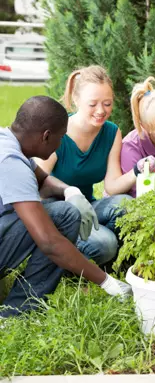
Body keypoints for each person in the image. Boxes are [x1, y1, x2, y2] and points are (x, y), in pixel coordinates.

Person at [0, 96, 131, 317]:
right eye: (60, 138)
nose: (60, 145)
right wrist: (107, 282)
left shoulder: (8, 142)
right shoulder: (11, 164)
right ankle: (15, 314)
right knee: (63, 217)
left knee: (65, 211)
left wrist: (71, 191)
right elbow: (49, 242)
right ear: (46, 136)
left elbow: (41, 178)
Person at [36, 66, 138, 267]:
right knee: (106, 244)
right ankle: (58, 263)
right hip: (55, 211)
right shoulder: (58, 132)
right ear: (76, 100)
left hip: (87, 204)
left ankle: (112, 261)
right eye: (93, 104)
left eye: (107, 104)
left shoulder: (111, 132)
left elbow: (112, 186)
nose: (101, 111)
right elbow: (36, 183)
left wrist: (137, 171)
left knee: (128, 205)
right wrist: (68, 194)